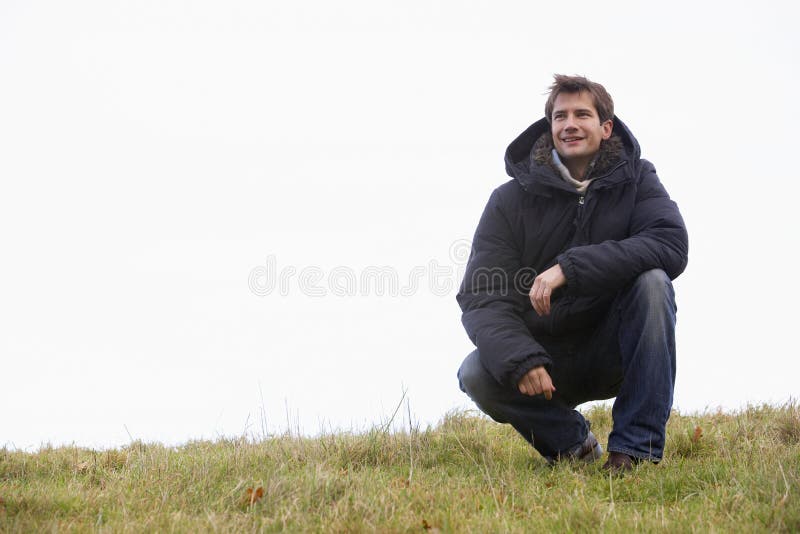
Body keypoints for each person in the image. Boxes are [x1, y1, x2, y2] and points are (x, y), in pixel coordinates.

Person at [456, 75, 688, 472]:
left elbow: (669, 244)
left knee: (653, 284)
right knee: (475, 371)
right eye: (560, 116)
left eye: (582, 114)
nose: (570, 124)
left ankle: (635, 452)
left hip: (612, 346)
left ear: (606, 127)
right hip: (543, 359)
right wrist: (521, 359)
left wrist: (570, 267)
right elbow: (483, 294)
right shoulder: (508, 200)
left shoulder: (638, 180)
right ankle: (574, 444)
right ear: (550, 127)